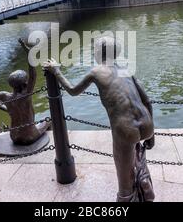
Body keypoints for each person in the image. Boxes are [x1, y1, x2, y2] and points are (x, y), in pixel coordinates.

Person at [43, 36, 155, 202]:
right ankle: (143, 178)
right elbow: (147, 101)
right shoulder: (125, 68)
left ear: (98, 52)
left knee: (123, 178)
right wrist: (152, 135)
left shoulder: (95, 72)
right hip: (146, 123)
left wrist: (56, 70)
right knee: (138, 149)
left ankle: (126, 198)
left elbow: (73, 90)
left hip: (125, 129)